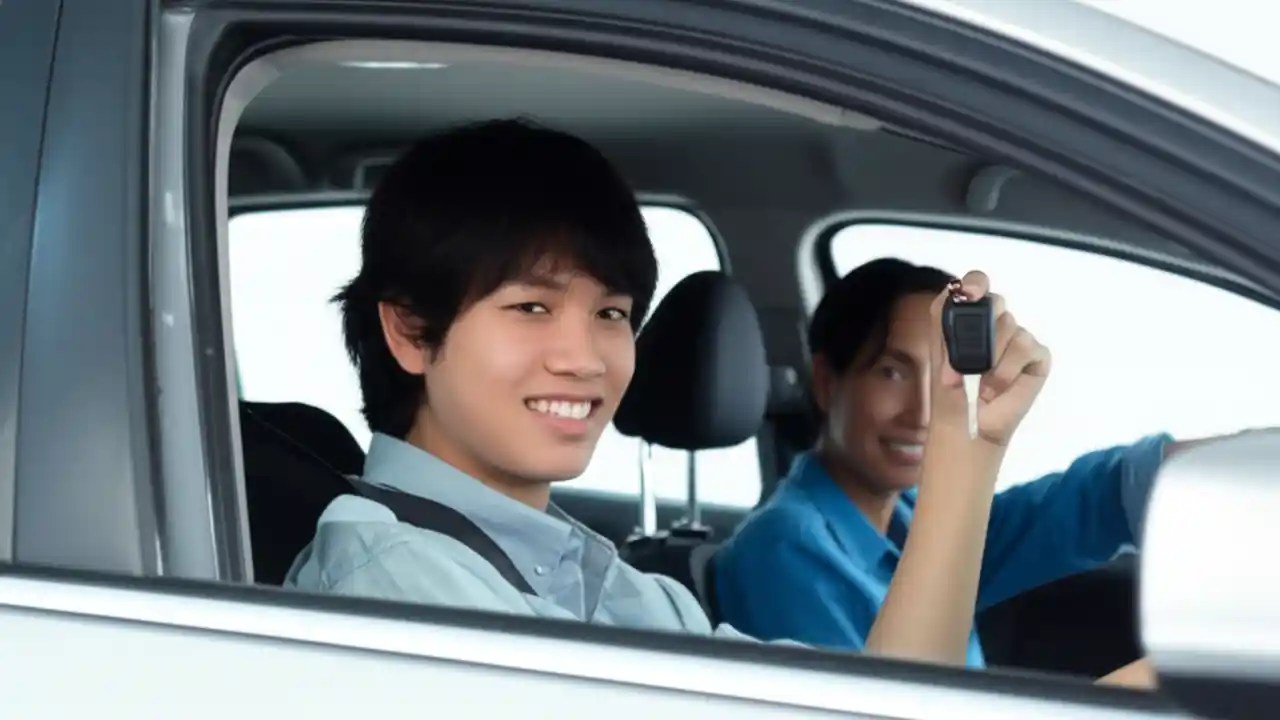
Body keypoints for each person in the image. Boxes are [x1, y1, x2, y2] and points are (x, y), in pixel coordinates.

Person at [284, 119, 1150, 687]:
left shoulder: (614, 586)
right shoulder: (392, 595)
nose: (583, 358)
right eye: (531, 308)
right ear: (411, 333)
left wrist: (974, 443)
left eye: (612, 314)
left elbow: (875, 708)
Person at [713, 257, 1205, 680]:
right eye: (893, 372)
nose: (925, 412)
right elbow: (881, 708)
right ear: (826, 381)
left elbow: (1076, 509)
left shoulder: (906, 515)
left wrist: (1207, 469)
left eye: (944, 376)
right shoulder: (783, 549)